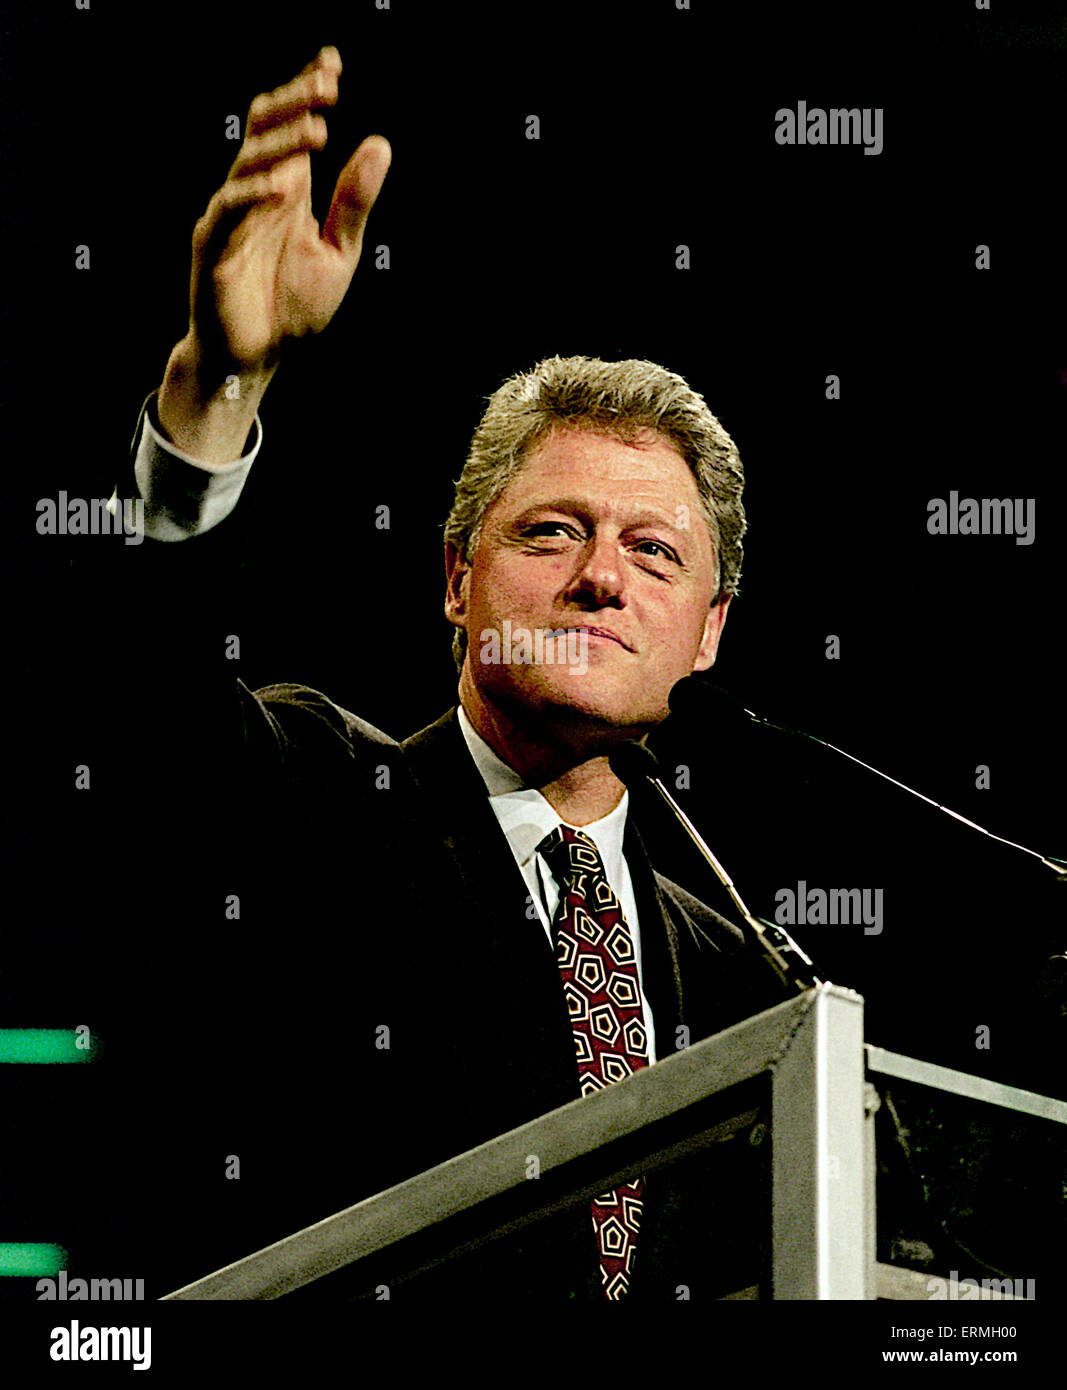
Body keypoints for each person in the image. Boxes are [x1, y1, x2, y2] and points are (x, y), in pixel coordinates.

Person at [101, 44, 785, 1302]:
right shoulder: (305, 788)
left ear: (706, 633)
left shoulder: (749, 975)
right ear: (457, 580)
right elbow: (131, 697)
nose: (599, 578)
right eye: (549, 530)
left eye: (651, 550)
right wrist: (219, 385)